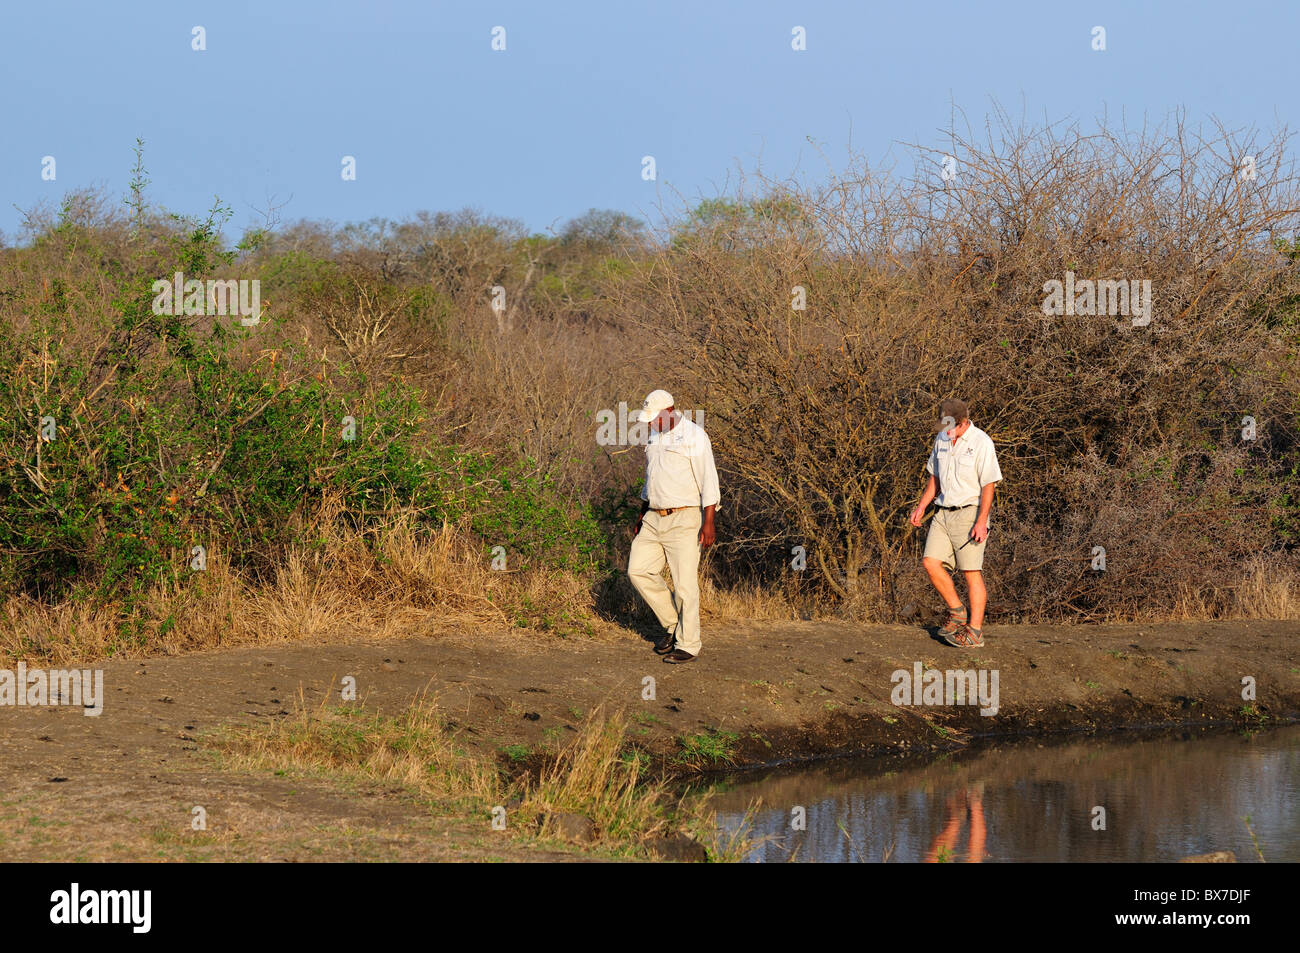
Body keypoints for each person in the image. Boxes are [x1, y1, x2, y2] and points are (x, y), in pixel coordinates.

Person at [627, 389, 719, 663]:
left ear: (670, 411)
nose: (650, 423)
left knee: (685, 586)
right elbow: (651, 477)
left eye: (654, 418)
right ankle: (672, 626)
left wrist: (709, 522)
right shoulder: (655, 436)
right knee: (638, 571)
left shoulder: (695, 436)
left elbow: (709, 481)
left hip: (685, 518)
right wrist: (643, 512)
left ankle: (689, 644)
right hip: (653, 517)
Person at [908, 398, 1003, 648]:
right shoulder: (941, 439)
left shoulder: (982, 442)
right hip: (942, 511)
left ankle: (975, 631)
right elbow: (934, 478)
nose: (945, 431)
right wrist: (921, 506)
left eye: (950, 426)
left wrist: (981, 521)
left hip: (969, 512)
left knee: (971, 573)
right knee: (930, 562)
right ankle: (957, 612)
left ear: (963, 423)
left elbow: (989, 485)